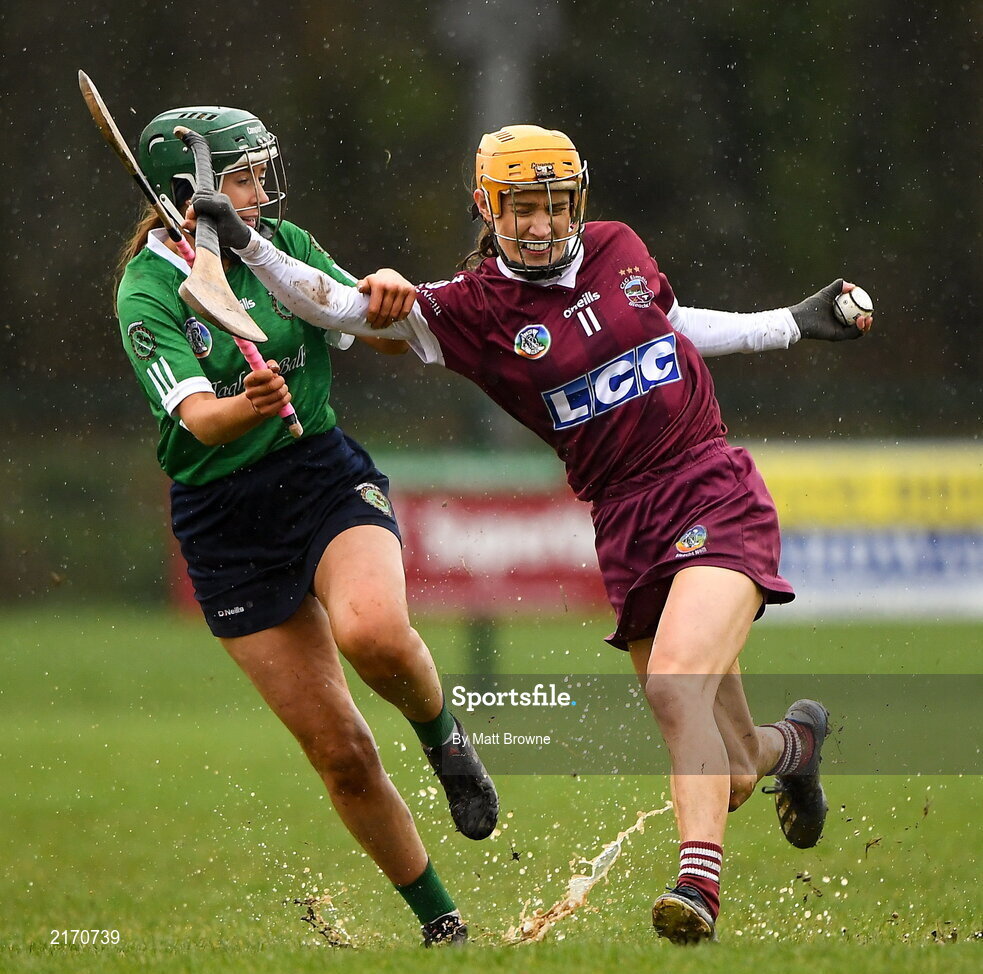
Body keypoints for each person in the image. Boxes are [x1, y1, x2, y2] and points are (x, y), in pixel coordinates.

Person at [191, 123, 873, 945]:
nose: (542, 226)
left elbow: (667, 322)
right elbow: (334, 306)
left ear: (576, 202)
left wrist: (789, 324)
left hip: (709, 485)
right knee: (728, 771)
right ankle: (792, 745)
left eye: (555, 206)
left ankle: (697, 888)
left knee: (674, 684)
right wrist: (248, 245)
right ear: (487, 208)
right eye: (521, 210)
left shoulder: (619, 245)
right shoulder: (471, 311)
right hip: (622, 521)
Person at [115, 105, 501, 948]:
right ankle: (443, 926)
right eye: (243, 177)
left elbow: (375, 331)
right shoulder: (145, 291)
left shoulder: (279, 242)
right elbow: (197, 423)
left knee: (376, 636)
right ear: (189, 192)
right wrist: (243, 407)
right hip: (223, 522)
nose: (261, 192)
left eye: (259, 174)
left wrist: (388, 301)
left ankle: (446, 745)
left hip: (318, 473)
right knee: (342, 754)